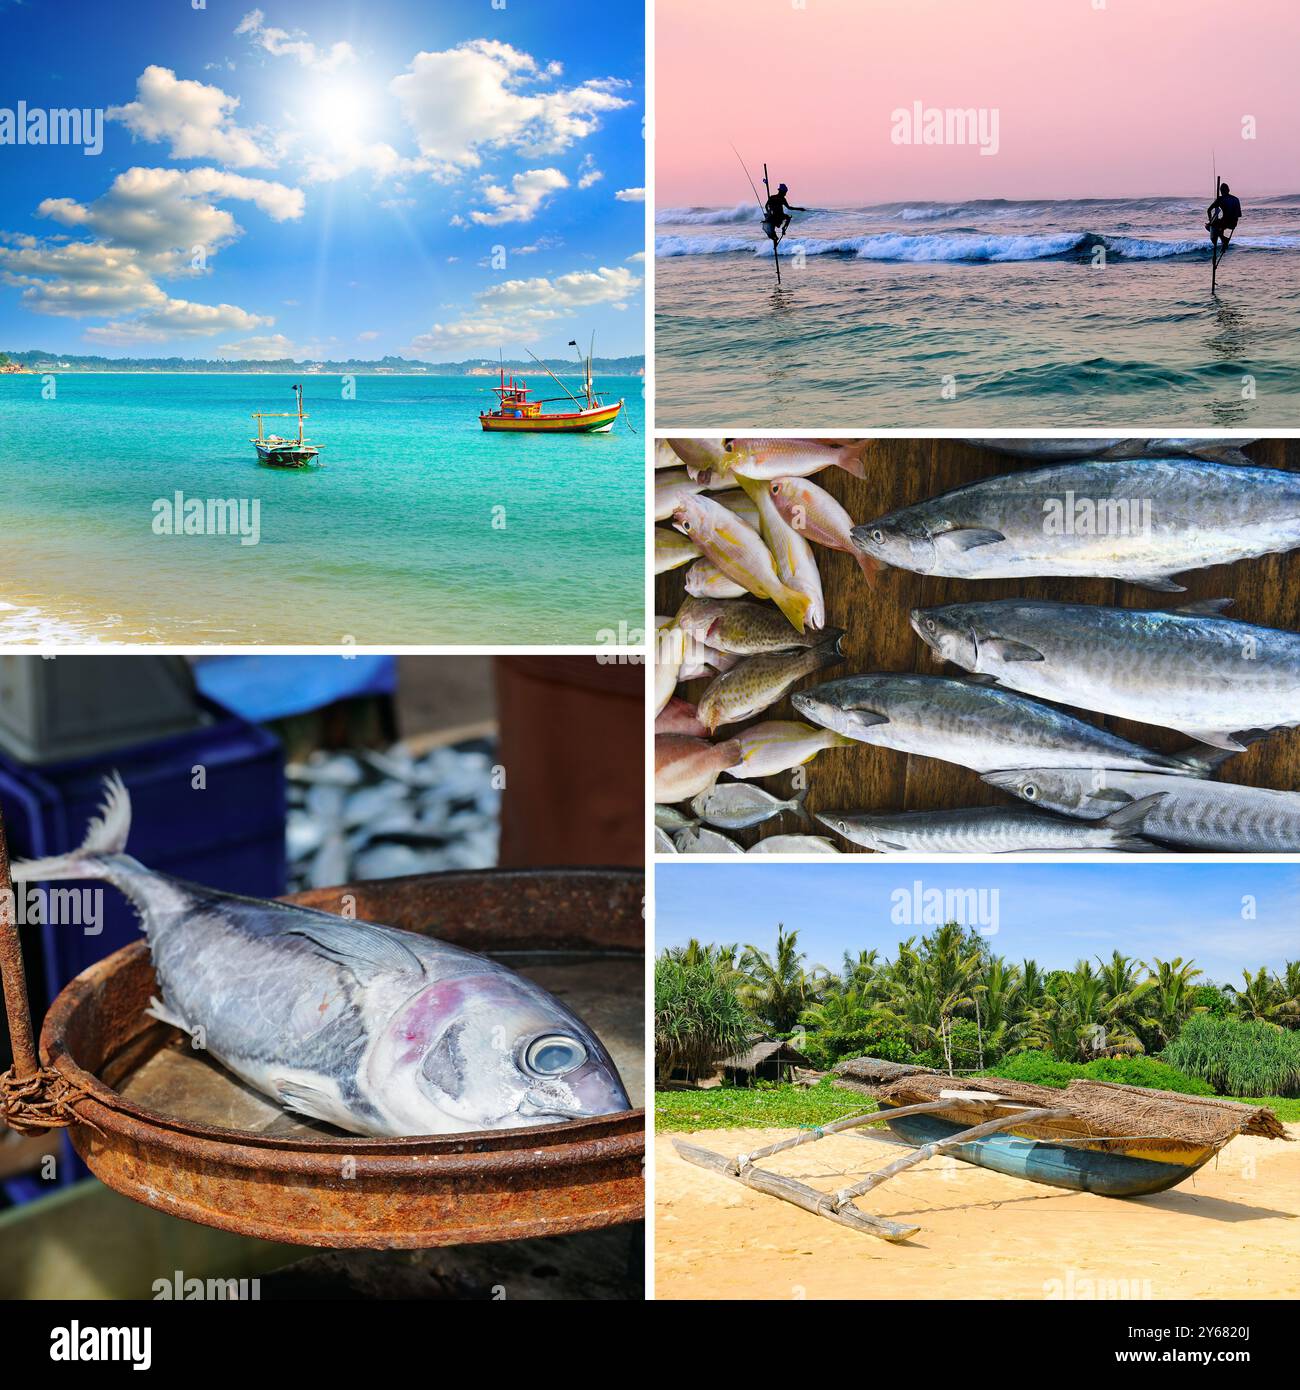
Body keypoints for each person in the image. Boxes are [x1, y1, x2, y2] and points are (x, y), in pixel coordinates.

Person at [1206, 181, 1242, 250]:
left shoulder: (1220, 199)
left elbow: (1209, 210)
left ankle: (1223, 239)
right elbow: (1238, 215)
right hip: (1234, 223)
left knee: (1209, 226)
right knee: (1220, 225)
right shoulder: (1236, 199)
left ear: (1221, 191)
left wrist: (1211, 220)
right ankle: (1223, 242)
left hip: (1225, 223)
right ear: (1229, 190)